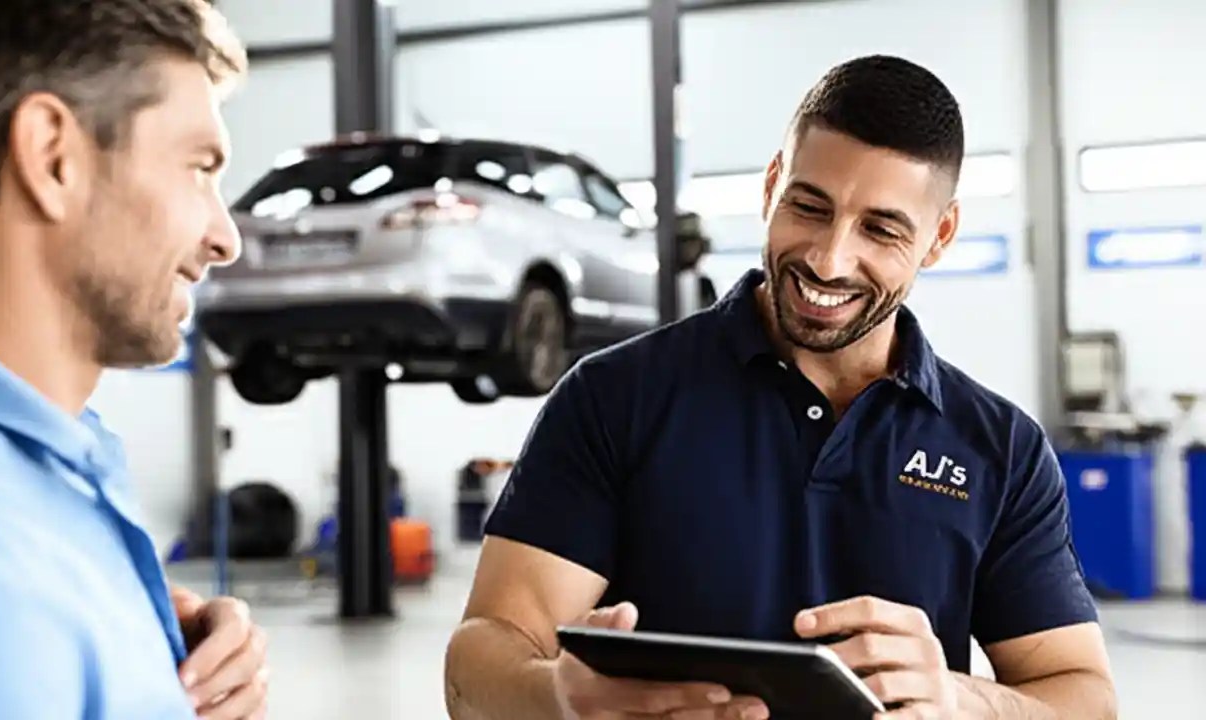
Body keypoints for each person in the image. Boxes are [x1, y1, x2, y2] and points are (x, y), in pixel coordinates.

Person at [445, 55, 1116, 720]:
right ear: (772, 186)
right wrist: (556, 698)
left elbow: (1084, 698)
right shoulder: (615, 397)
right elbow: (481, 657)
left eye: (880, 229)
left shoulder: (999, 449)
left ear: (938, 236)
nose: (828, 258)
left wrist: (958, 700)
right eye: (809, 206)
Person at [0, 1, 268, 718]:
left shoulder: (39, 476)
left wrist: (141, 649)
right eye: (199, 168)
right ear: (54, 157)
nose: (224, 236)